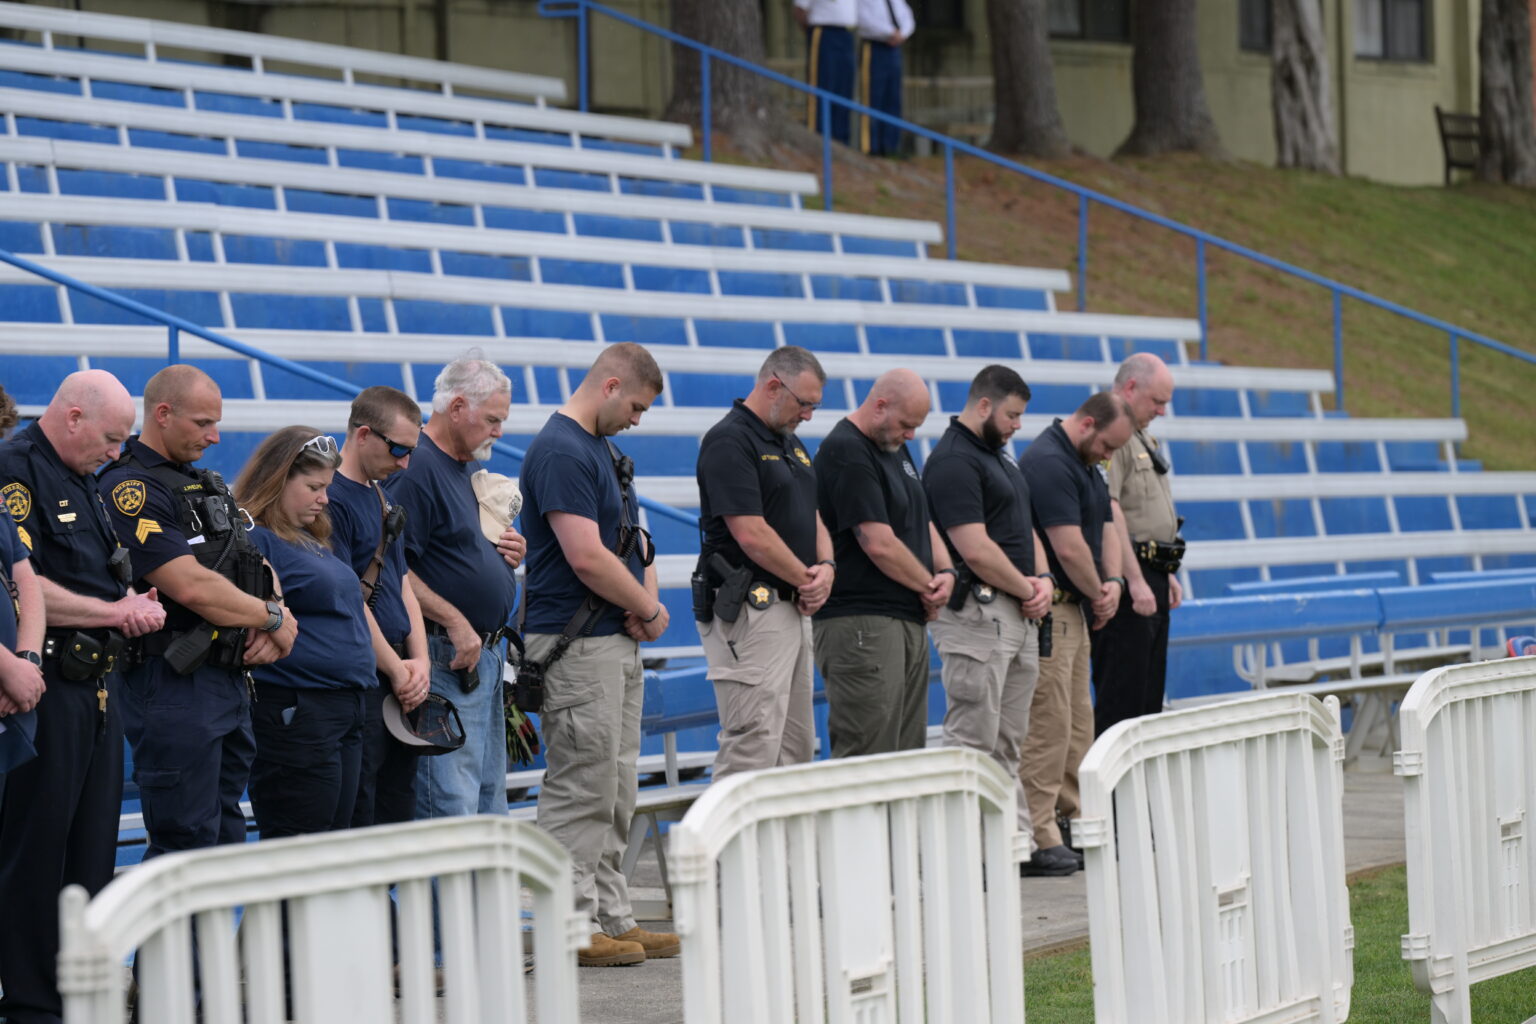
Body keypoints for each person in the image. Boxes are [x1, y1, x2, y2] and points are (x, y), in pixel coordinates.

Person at [0, 371, 165, 1024]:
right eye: (111, 438)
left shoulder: (85, 476)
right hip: (46, 686)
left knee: (91, 854)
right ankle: (35, 1005)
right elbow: (24, 583)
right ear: (73, 417)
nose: (118, 453)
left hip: (97, 684)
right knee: (37, 854)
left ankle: (82, 996)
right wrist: (113, 612)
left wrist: (126, 604)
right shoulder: (16, 469)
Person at [520, 342, 678, 968]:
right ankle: (568, 924)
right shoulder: (562, 450)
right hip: (577, 642)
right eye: (636, 407)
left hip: (612, 638)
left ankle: (611, 914)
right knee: (581, 787)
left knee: (614, 786)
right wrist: (647, 607)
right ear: (611, 386)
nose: (637, 420)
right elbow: (586, 556)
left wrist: (645, 604)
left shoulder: (604, 450)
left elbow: (634, 539)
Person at [99, 365, 297, 861]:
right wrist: (271, 619)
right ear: (163, 414)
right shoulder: (130, 487)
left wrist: (278, 609)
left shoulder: (203, 483)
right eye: (203, 423)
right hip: (174, 683)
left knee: (224, 842)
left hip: (226, 680)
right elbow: (189, 585)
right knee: (185, 843)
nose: (215, 437)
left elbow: (253, 560)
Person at [922, 365, 1054, 854]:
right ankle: (965, 851)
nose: (1017, 425)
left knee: (1008, 741)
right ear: (984, 406)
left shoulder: (1000, 459)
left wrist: (1043, 580)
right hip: (979, 615)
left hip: (1015, 611)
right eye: (1012, 415)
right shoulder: (953, 461)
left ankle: (1011, 844)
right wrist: (1027, 587)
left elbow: (1026, 528)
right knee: (973, 739)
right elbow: (974, 548)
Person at [385, 356, 523, 819]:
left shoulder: (462, 465)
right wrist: (455, 620)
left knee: (486, 806)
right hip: (445, 655)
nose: (499, 432)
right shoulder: (416, 467)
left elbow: (454, 551)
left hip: (480, 657)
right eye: (493, 420)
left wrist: (505, 553)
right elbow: (391, 567)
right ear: (458, 407)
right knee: (450, 807)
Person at [694, 346, 834, 780]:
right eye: (804, 403)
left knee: (795, 750)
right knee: (752, 746)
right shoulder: (729, 440)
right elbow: (751, 533)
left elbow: (812, 515)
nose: (808, 415)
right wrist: (808, 579)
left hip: (791, 607)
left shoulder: (790, 441)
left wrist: (827, 567)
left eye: (814, 406)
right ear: (774, 386)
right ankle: (726, 831)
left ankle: (784, 833)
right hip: (753, 609)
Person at [233, 427, 378, 838]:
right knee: (301, 841)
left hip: (344, 705)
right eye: (314, 487)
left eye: (326, 487)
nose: (324, 498)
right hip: (299, 709)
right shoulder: (254, 537)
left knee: (337, 838)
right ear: (278, 480)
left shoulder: (311, 539)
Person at [1016, 391, 1132, 877]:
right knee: (1048, 724)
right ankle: (1038, 831)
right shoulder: (1048, 462)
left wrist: (1114, 582)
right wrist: (1099, 591)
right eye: (1107, 446)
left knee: (1078, 724)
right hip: (1053, 608)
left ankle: (1074, 819)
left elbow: (1105, 524)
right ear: (1087, 425)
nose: (1108, 456)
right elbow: (1066, 546)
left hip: (1077, 607)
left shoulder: (1088, 463)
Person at [813, 368, 955, 758]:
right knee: (870, 756)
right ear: (880, 406)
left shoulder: (892, 443)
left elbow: (921, 518)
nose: (911, 435)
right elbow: (877, 542)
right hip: (864, 620)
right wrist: (929, 586)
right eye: (907, 425)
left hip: (904, 616)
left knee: (907, 757)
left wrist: (946, 572)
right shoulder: (847, 449)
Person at [329, 387, 432, 826]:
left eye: (412, 452)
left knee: (398, 806)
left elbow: (403, 583)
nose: (404, 463)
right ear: (364, 435)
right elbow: (349, 596)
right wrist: (396, 667)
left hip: (398, 672)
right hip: (366, 676)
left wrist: (421, 661)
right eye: (398, 450)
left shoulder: (382, 496)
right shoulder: (329, 497)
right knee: (364, 807)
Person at [1092, 354, 1184, 737]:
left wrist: (1165, 572)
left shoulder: (1141, 434)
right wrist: (1135, 578)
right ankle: (1111, 780)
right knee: (1123, 702)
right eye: (1156, 401)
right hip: (1129, 577)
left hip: (1151, 572)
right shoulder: (1113, 433)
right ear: (1130, 388)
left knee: (1148, 700)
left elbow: (1143, 510)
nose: (1161, 411)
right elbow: (1110, 508)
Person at [855, 0, 914, 156]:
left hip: (894, 48)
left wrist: (902, 34)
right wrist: (890, 32)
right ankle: (871, 146)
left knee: (893, 98)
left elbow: (908, 17)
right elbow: (864, 20)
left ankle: (890, 146)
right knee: (873, 97)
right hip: (874, 46)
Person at [794, 0, 858, 144]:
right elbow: (800, 9)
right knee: (822, 85)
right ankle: (819, 138)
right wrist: (812, 32)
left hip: (847, 34)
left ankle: (841, 141)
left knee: (844, 89)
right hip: (823, 32)